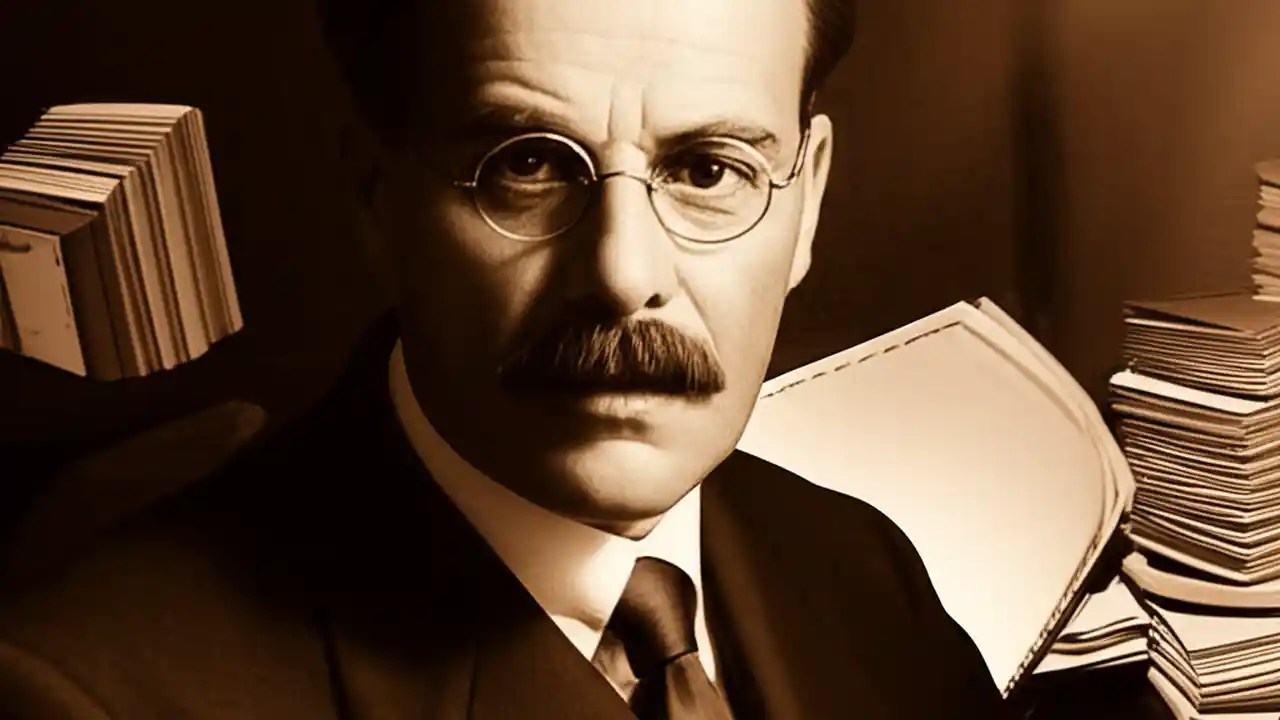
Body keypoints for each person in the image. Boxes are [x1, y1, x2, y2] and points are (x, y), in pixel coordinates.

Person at [0, 0, 1011, 717]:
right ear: (375, 201)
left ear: (806, 209)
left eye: (708, 170)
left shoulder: (862, 570)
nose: (621, 274)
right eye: (524, 164)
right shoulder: (81, 692)